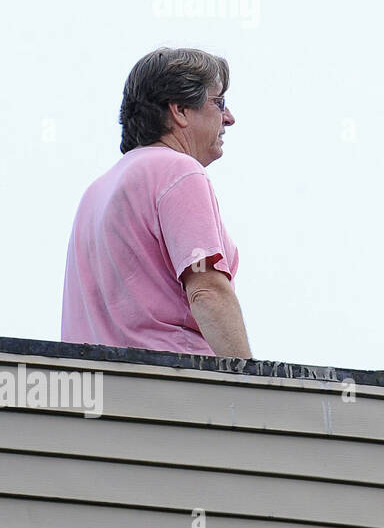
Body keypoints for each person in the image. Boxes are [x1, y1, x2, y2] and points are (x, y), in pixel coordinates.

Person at [61, 48, 252, 358]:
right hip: (175, 388)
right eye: (219, 102)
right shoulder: (179, 170)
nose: (229, 118)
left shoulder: (94, 194)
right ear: (179, 110)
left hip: (98, 392)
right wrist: (250, 389)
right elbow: (207, 289)